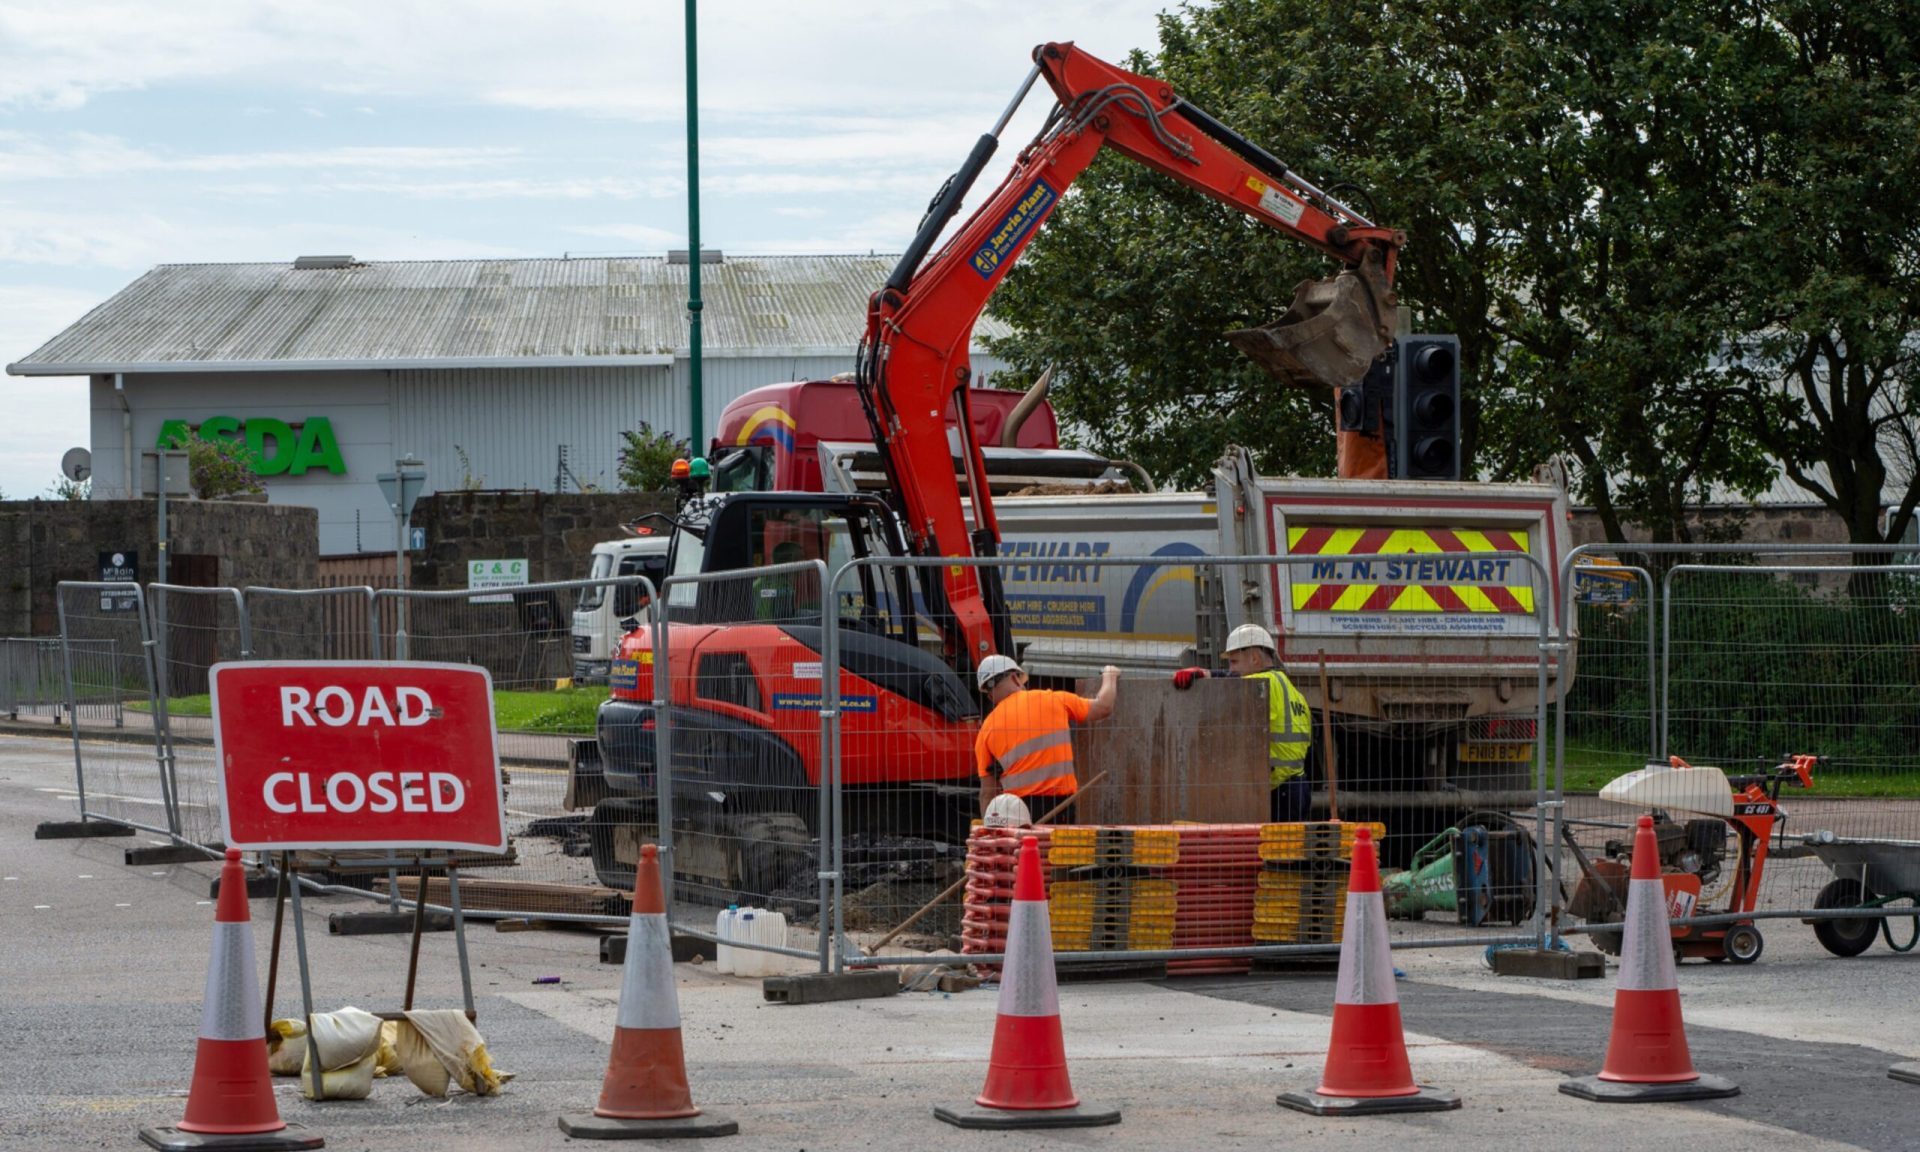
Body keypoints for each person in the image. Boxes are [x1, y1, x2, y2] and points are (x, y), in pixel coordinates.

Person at [1173, 624, 1314, 822]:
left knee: (1270, 851)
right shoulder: (1294, 693)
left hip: (1279, 792)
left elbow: (1235, 683)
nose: (1231, 669)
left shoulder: (1261, 684)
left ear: (1255, 658)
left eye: (1234, 662)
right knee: (1289, 851)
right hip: (1296, 785)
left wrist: (1207, 675)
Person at [974, 654, 1120, 813]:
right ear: (1016, 678)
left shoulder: (986, 730)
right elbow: (1104, 707)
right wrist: (1110, 675)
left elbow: (988, 792)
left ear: (989, 695)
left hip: (1017, 812)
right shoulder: (1053, 699)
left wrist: (987, 830)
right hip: (1060, 806)